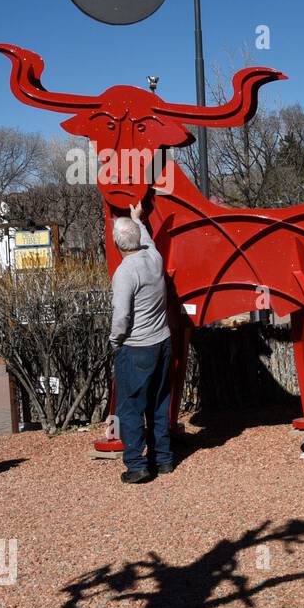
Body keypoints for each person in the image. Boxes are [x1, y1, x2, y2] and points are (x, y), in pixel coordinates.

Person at [109, 200, 172, 483]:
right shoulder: (154, 259)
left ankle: (137, 466)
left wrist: (114, 341)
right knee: (159, 404)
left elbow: (121, 317)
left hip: (137, 347)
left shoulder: (125, 272)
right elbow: (145, 241)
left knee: (130, 407)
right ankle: (163, 460)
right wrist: (139, 219)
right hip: (163, 342)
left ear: (116, 244)